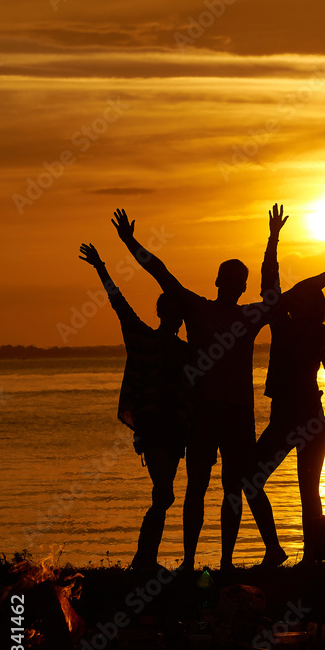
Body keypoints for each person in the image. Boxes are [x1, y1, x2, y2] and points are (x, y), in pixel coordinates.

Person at [111, 204, 289, 572]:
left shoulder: (248, 316)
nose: (236, 284)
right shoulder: (197, 309)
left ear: (242, 286)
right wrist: (131, 242)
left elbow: (277, 292)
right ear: (218, 281)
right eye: (231, 277)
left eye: (241, 280)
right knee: (197, 486)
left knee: (234, 488)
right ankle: (190, 561)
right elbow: (161, 274)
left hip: (237, 411)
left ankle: (226, 561)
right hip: (205, 410)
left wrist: (272, 240)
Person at [244, 235, 325, 563]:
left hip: (308, 417)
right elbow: (271, 281)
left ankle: (312, 558)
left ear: (315, 304)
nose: (297, 298)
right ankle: (275, 549)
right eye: (297, 296)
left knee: (309, 491)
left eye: (306, 296)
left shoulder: (319, 332)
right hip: (283, 417)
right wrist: (272, 240)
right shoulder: (279, 322)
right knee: (251, 478)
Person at [78, 242, 191, 571]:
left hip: (174, 429)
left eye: (176, 313)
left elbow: (192, 392)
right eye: (167, 311)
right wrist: (101, 268)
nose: (172, 317)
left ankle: (145, 560)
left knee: (163, 496)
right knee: (165, 493)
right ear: (160, 313)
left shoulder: (186, 352)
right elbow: (119, 305)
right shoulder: (144, 338)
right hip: (152, 425)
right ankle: (144, 559)